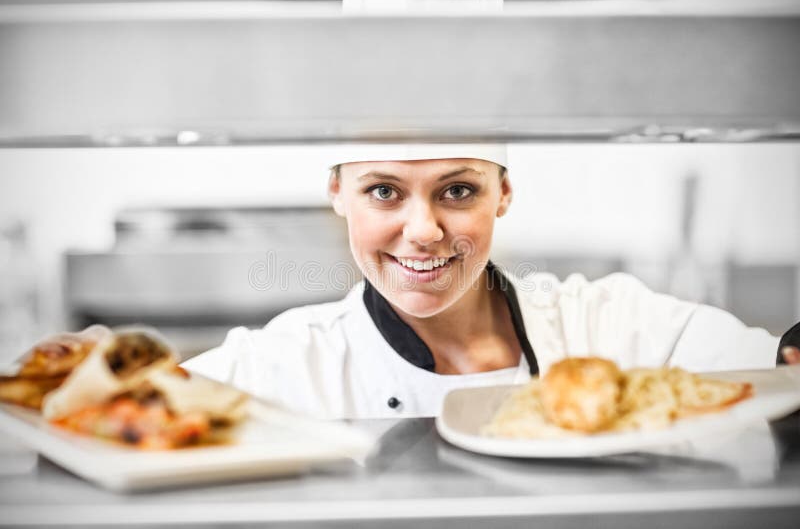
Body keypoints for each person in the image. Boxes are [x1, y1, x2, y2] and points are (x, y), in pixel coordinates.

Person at [183, 144, 798, 419]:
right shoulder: (278, 365)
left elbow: (776, 366)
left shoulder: (606, 325)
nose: (423, 231)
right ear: (337, 194)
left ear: (502, 193)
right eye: (384, 192)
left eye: (457, 190)